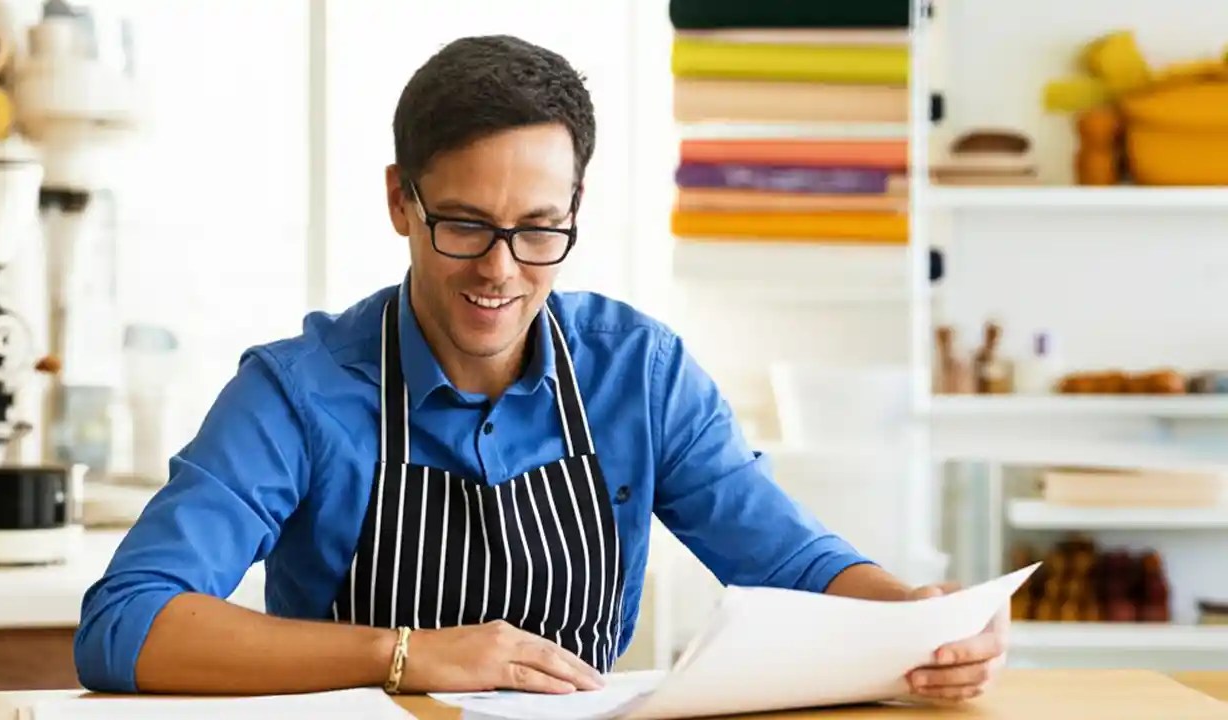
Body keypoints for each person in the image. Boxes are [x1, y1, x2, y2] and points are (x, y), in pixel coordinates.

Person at [73, 34, 1008, 703]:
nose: (501, 268)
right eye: (467, 224)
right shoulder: (298, 392)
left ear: (575, 206)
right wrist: (409, 655)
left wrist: (922, 621)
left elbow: (791, 560)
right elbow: (125, 624)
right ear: (402, 199)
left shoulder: (637, 372)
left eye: (539, 230)